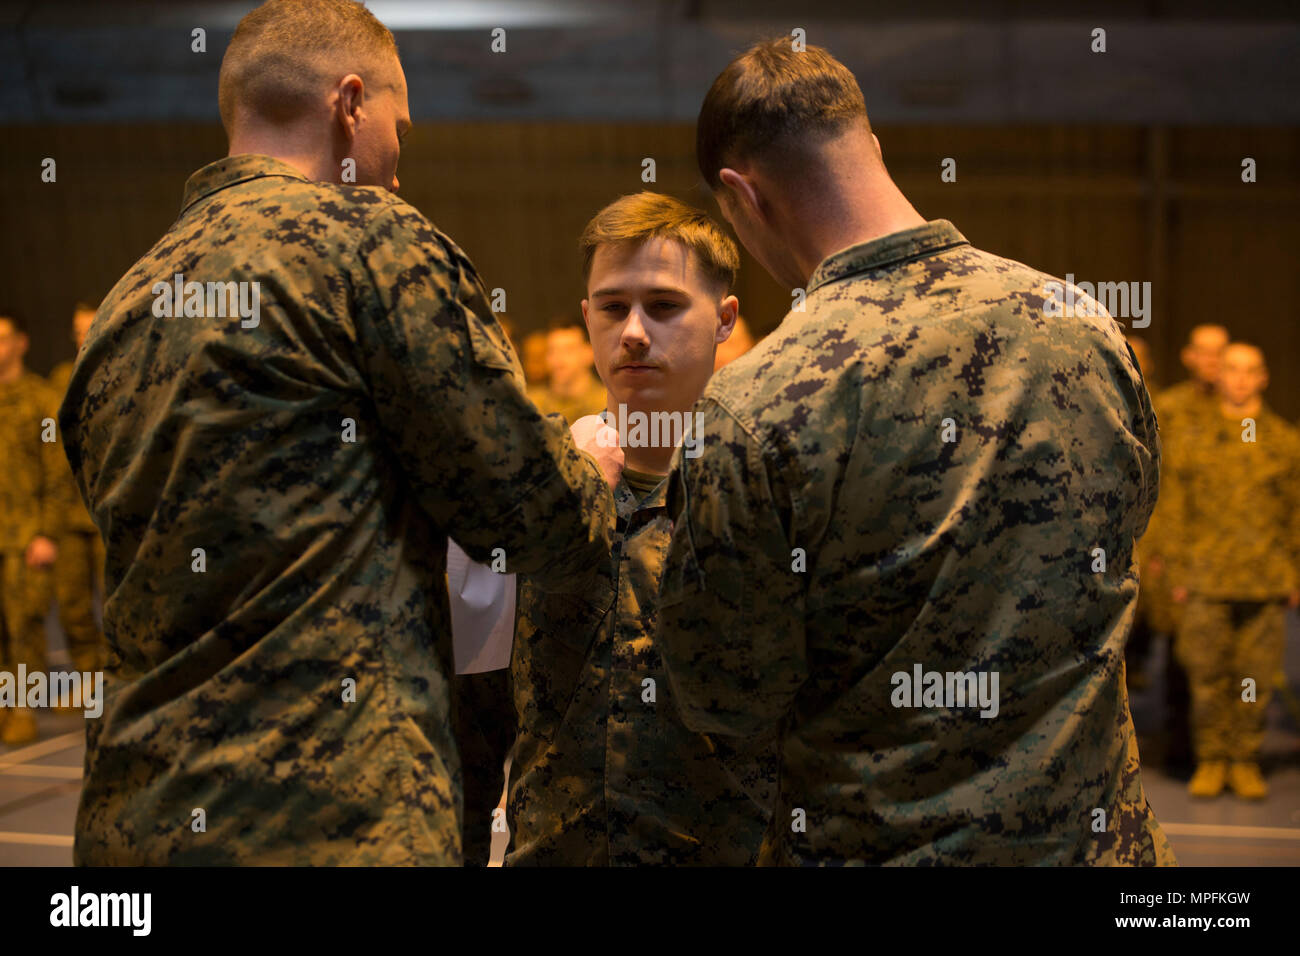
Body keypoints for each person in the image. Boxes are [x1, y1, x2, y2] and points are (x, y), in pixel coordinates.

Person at [58, 0, 620, 865]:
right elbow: (532, 514)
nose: (397, 170)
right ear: (350, 105)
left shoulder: (126, 306)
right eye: (399, 130)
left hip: (136, 823)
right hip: (335, 816)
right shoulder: (372, 245)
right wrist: (594, 470)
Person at [656, 38, 1173, 865]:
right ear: (874, 148)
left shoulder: (756, 402)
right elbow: (1124, 531)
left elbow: (723, 692)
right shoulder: (1086, 325)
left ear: (740, 195)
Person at [506, 192, 776, 865]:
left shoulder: (770, 487)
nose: (632, 331)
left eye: (662, 306)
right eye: (611, 307)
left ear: (724, 319)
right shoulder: (536, 481)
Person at [1162, 343, 1300, 800]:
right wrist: (1176, 570)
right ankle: (1212, 758)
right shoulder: (1194, 439)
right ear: (1218, 376)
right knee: (1206, 680)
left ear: (1264, 378)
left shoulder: (1284, 441)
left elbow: (1296, 513)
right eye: (1232, 370)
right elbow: (1174, 509)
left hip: (1264, 581)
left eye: (1250, 371)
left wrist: (1294, 573)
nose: (1240, 379)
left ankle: (1243, 758)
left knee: (1252, 682)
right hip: (1205, 580)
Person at [0, 309, 66, 746]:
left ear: (21, 342)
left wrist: (48, 533)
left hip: (24, 534)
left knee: (24, 622)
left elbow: (56, 473)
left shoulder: (43, 402)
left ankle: (22, 708)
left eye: (3, 338)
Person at [47, 301, 107, 681]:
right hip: (70, 511)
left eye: (91, 327)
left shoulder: (125, 370)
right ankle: (88, 678)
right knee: (72, 605)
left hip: (109, 509)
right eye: (78, 330)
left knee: (119, 599)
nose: (84, 336)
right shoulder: (57, 381)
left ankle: (124, 682)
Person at [526, 320, 607, 423]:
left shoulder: (608, 405)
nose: (558, 359)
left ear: (590, 353)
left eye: (569, 350)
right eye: (552, 350)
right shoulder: (531, 405)